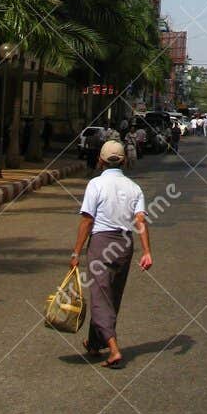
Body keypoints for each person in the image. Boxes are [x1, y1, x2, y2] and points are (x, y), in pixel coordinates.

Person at [70, 140, 153, 368]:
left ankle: (114, 349)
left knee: (99, 296)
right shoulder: (134, 188)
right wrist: (147, 251)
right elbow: (140, 221)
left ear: (100, 160)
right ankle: (95, 343)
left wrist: (76, 252)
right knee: (112, 296)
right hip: (125, 245)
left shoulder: (96, 184)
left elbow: (87, 221)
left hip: (101, 243)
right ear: (124, 161)